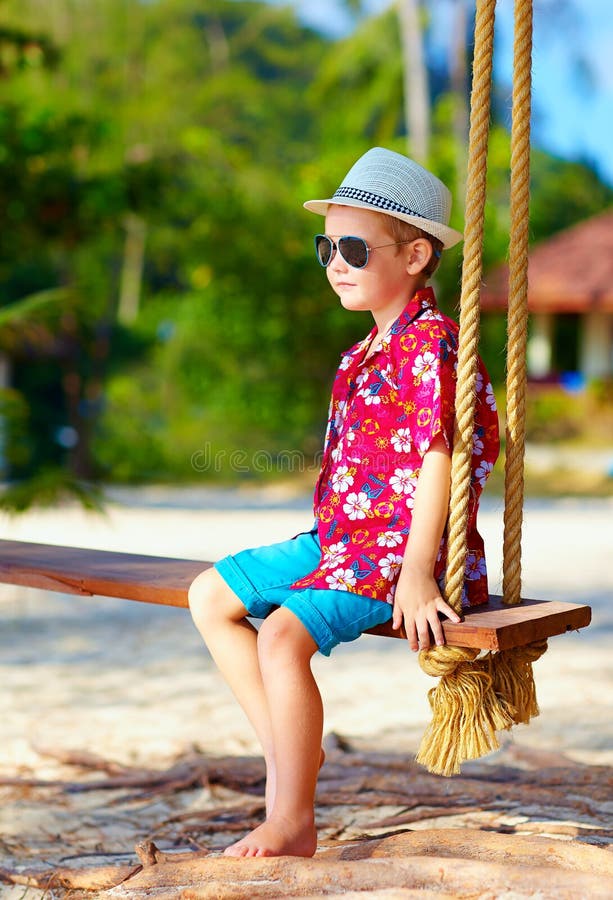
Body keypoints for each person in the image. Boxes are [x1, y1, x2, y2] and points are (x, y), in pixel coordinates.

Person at [188, 147, 500, 859]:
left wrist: (420, 569)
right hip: (339, 540)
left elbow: (440, 458)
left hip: (399, 550)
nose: (336, 261)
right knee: (209, 595)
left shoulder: (433, 346)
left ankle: (291, 818)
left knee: (280, 635)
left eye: (354, 247)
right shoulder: (358, 356)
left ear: (416, 254)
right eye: (327, 246)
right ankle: (290, 756)